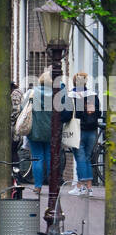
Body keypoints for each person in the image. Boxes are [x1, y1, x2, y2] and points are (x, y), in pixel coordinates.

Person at [28, 67, 74, 195]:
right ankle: (53, 186)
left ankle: (37, 186)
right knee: (51, 157)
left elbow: (23, 108)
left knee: (37, 158)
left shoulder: (33, 92)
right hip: (52, 131)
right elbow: (67, 110)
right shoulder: (58, 95)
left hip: (35, 130)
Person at [70, 71, 99, 196]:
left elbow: (67, 115)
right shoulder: (93, 95)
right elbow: (99, 113)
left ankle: (82, 187)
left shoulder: (72, 96)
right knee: (86, 158)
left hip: (78, 130)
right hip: (92, 131)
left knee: (80, 159)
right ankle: (87, 187)